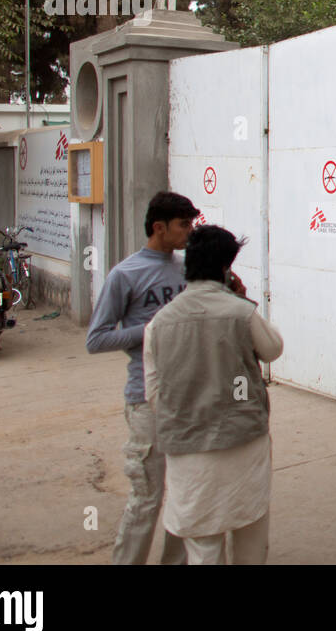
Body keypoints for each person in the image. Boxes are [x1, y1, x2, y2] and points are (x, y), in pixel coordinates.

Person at [143, 225, 283, 565]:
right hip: (243, 443)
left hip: (187, 451)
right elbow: (272, 349)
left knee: (203, 546)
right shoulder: (240, 312)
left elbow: (154, 394)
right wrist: (241, 299)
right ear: (226, 269)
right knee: (250, 537)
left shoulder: (158, 324)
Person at [87, 191, 199, 565]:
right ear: (159, 227)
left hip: (190, 398)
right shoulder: (125, 274)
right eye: (183, 225)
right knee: (147, 496)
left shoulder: (188, 269)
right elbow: (96, 339)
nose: (189, 231)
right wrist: (151, 330)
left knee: (186, 494)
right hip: (147, 400)